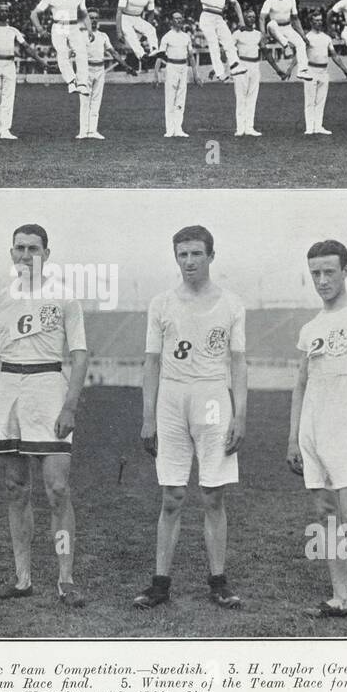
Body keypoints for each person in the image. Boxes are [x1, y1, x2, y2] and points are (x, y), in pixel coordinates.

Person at [136, 225, 248, 609]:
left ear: (211, 256)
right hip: (171, 398)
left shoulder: (231, 304)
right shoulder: (162, 303)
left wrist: (241, 415)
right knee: (172, 495)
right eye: (182, 255)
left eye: (196, 254)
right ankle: (159, 584)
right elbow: (151, 363)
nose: (189, 262)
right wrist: (148, 416)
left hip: (214, 397)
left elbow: (238, 363)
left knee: (213, 495)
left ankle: (218, 582)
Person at [0, 224, 89, 607]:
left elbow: (80, 355)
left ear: (46, 253)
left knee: (57, 489)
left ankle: (66, 578)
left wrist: (71, 404)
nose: (26, 255)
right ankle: (22, 578)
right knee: (14, 488)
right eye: (20, 248)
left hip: (49, 390)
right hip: (9, 392)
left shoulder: (64, 299)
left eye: (34, 248)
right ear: (11, 253)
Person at [286, 240, 347, 635]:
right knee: (325, 517)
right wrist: (293, 439)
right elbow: (301, 385)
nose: (322, 280)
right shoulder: (310, 329)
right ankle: (339, 598)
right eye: (315, 274)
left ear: (346, 272)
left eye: (329, 272)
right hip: (313, 431)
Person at [0, 2, 51, 140]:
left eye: (6, 11)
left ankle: (5, 129)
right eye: (1, 11)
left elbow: (26, 47)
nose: (4, 13)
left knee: (8, 97)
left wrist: (40, 60)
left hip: (9, 64)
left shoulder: (13, 31)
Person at [76, 10, 134, 140]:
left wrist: (126, 66)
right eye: (91, 18)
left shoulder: (103, 36)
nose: (94, 20)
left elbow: (113, 52)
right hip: (85, 70)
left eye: (96, 18)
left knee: (96, 101)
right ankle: (83, 131)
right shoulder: (80, 35)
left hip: (100, 69)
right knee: (85, 101)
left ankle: (93, 130)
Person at [31, 0, 90, 96]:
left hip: (74, 26)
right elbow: (34, 14)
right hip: (59, 26)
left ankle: (82, 84)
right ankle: (71, 82)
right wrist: (40, 29)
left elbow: (85, 15)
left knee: (82, 53)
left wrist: (89, 30)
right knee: (62, 53)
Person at [302, 12, 347, 135]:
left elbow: (334, 55)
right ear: (311, 22)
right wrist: (290, 69)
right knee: (310, 101)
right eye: (316, 20)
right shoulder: (307, 37)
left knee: (321, 101)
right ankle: (310, 127)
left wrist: (345, 70)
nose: (319, 22)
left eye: (320, 20)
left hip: (324, 72)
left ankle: (318, 126)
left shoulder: (326, 38)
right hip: (311, 71)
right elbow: (299, 55)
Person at [197, 0, 248, 82]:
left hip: (219, 18)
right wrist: (221, 5)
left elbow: (235, 4)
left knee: (228, 41)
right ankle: (220, 73)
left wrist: (241, 20)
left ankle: (235, 65)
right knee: (213, 43)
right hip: (207, 16)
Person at [156, 12, 201, 138]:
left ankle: (178, 128)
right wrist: (156, 75)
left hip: (183, 67)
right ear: (172, 21)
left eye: (180, 18)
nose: (178, 21)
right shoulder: (167, 37)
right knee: (170, 98)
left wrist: (195, 74)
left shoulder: (186, 37)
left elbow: (191, 56)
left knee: (181, 98)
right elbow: (160, 57)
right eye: (176, 19)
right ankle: (170, 129)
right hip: (171, 67)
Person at [259, 0, 312, 80]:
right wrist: (263, 34)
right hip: (274, 29)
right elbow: (262, 18)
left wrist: (303, 35)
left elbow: (296, 19)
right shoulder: (270, 1)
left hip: (288, 27)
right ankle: (286, 45)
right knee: (271, 23)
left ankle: (302, 71)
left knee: (301, 43)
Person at [116, 0, 160, 71]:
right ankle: (141, 55)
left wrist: (145, 33)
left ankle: (154, 50)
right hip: (125, 16)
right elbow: (119, 12)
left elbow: (151, 13)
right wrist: (118, 32)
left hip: (137, 17)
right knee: (130, 34)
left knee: (151, 30)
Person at [232, 9, 265, 136]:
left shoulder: (258, 34)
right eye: (249, 17)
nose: (252, 19)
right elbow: (228, 48)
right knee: (241, 97)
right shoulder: (237, 34)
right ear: (244, 18)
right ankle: (240, 128)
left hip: (255, 66)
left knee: (252, 97)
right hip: (241, 65)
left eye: (253, 17)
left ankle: (249, 127)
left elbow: (263, 49)